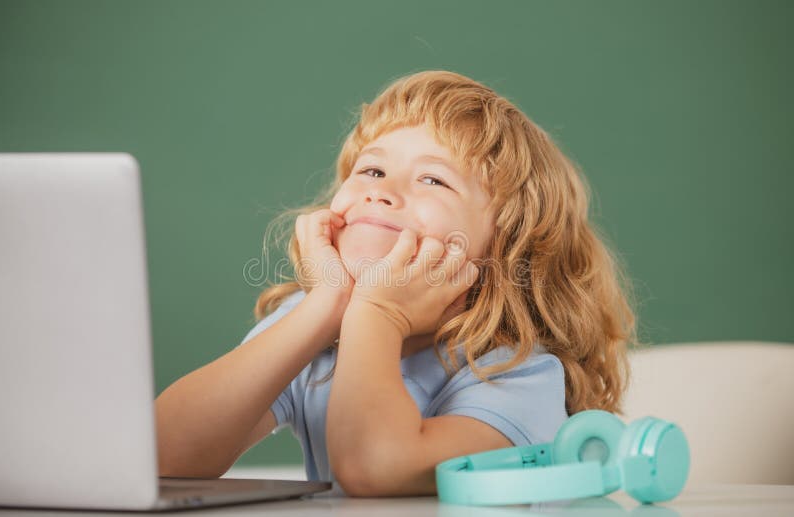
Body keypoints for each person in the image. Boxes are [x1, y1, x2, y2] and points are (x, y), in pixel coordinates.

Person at [154, 70, 641, 497]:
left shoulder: (517, 374)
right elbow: (161, 455)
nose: (380, 191)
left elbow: (374, 467)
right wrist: (323, 307)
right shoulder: (317, 332)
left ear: (507, 246)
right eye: (371, 169)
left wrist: (378, 314)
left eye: (432, 180)